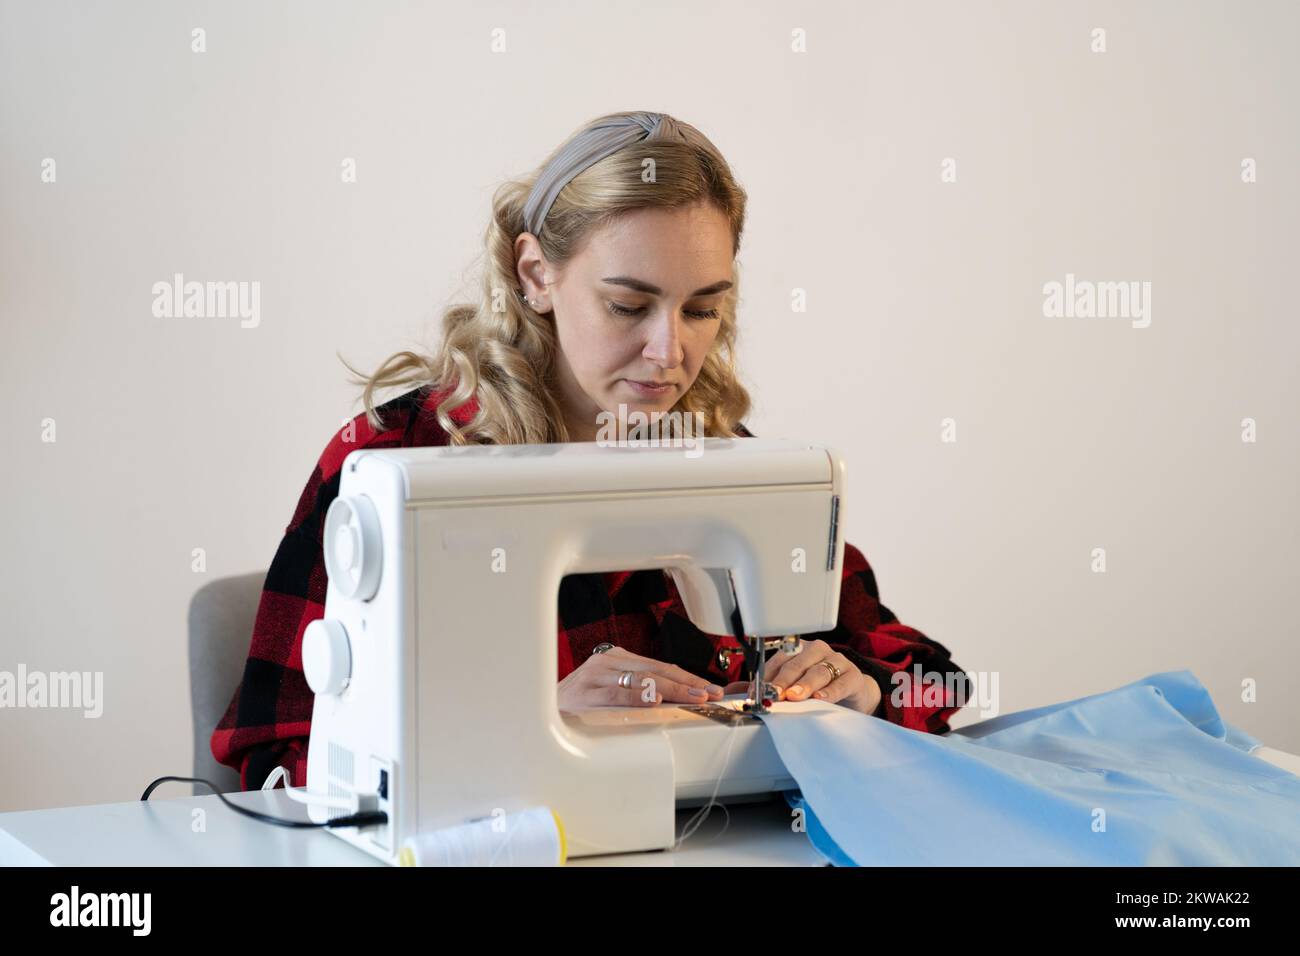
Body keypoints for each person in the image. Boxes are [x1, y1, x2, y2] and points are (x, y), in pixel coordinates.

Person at [211, 110, 969, 791]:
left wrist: (865, 689)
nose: (671, 350)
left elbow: (936, 680)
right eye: (628, 306)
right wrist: (524, 727)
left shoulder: (721, 463)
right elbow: (276, 759)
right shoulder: (394, 463)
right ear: (536, 274)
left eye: (704, 307)